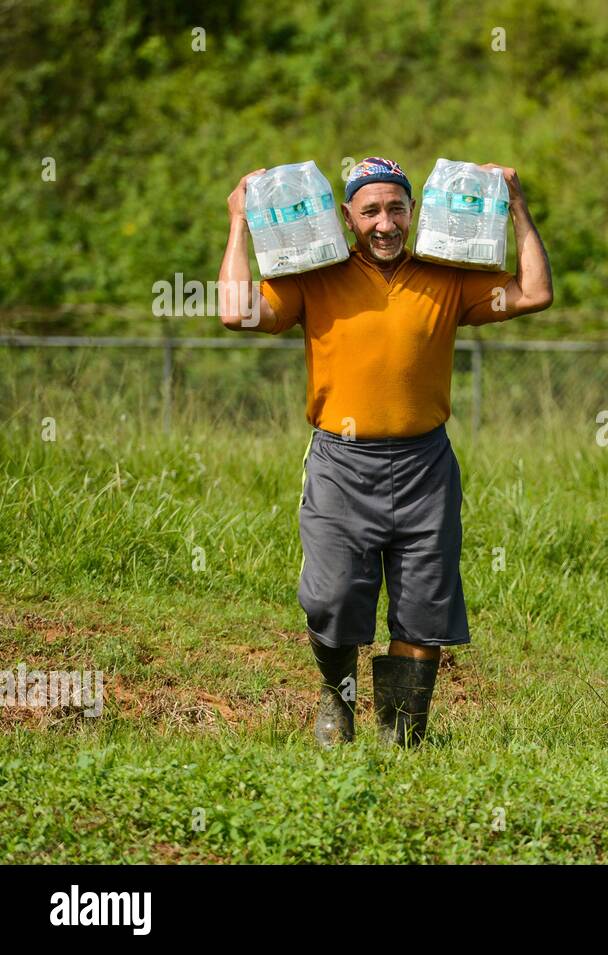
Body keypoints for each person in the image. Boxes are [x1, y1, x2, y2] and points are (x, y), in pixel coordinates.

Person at [218, 157, 553, 747]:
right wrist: (239, 222)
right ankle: (337, 699)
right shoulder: (314, 276)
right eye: (370, 210)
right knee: (332, 597)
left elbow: (535, 292)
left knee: (425, 608)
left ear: (414, 212)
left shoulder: (446, 277)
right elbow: (234, 312)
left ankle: (401, 738)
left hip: (426, 468)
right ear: (346, 217)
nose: (385, 223)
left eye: (396, 209)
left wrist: (517, 208)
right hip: (341, 466)